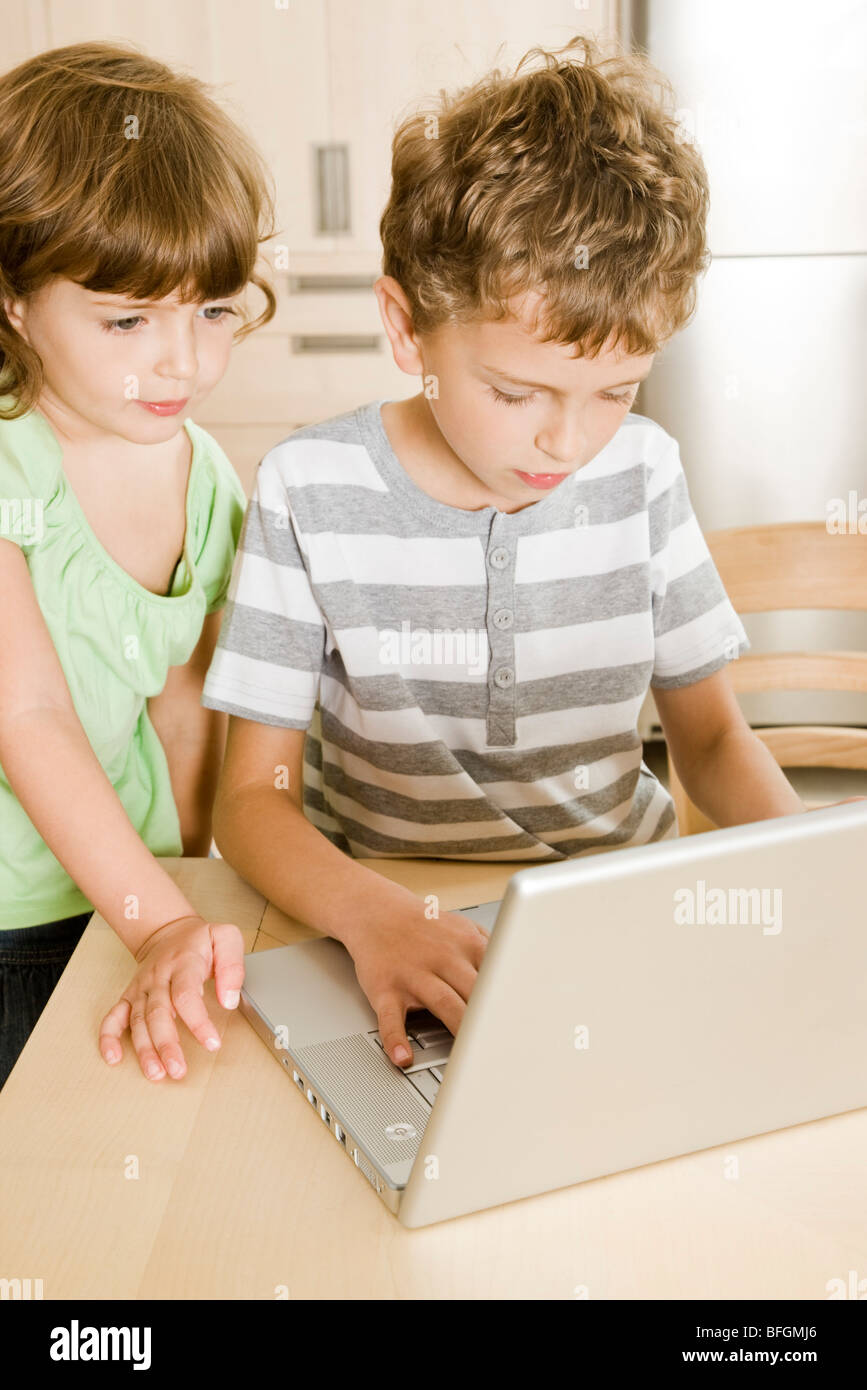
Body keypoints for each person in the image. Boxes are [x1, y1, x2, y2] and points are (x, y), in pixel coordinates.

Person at [202, 32, 817, 1073]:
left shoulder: (644, 471)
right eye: (515, 392)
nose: (567, 443)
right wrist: (373, 917)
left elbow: (711, 739)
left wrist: (810, 870)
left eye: (614, 392)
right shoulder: (309, 490)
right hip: (375, 917)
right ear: (408, 328)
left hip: (612, 912)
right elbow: (250, 799)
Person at [0, 41, 276, 1089]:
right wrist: (160, 921)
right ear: (14, 300)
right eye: (128, 319)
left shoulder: (204, 476)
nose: (184, 361)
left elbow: (186, 707)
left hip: (128, 900)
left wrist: (195, 892)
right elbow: (28, 715)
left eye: (213, 310)